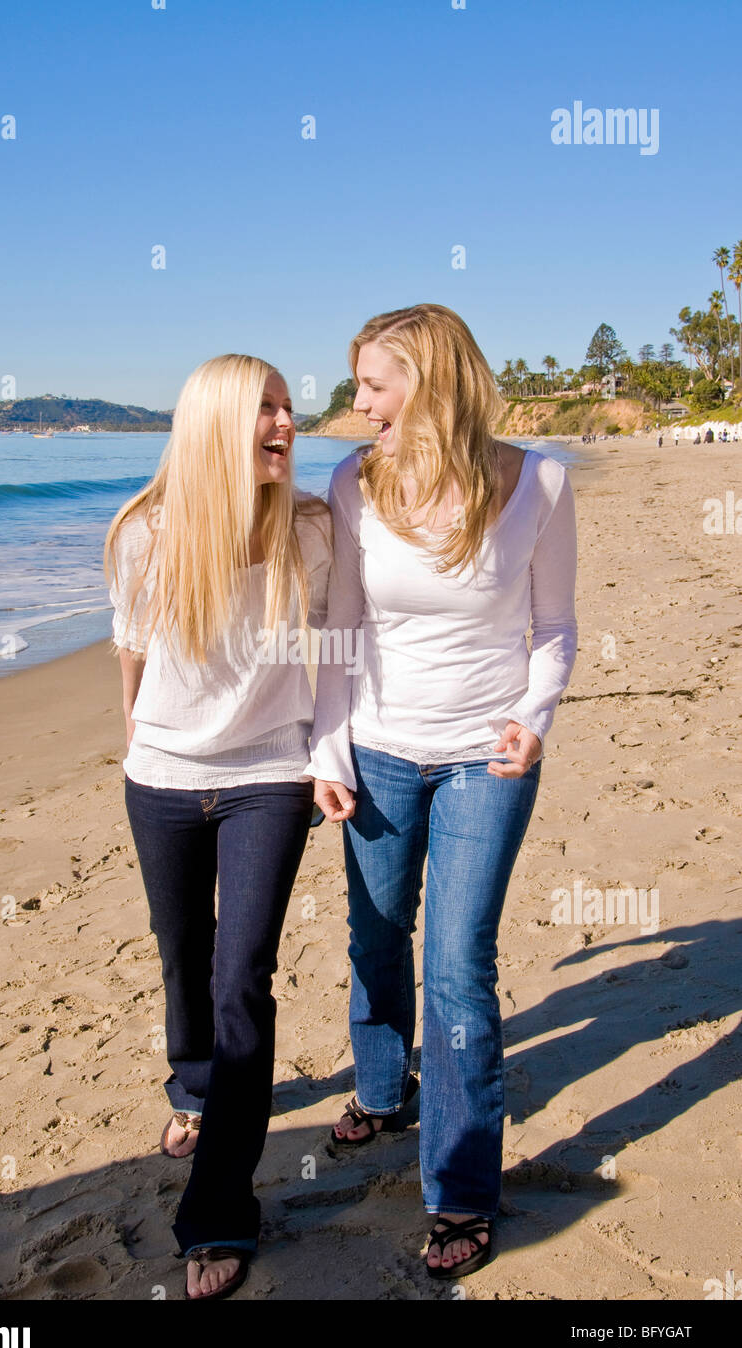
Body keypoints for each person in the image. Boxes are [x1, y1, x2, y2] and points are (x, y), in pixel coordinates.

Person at [307, 304, 577, 1280]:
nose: (357, 403)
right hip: (375, 747)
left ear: (430, 382)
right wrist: (326, 750)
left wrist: (534, 713)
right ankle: (381, 1088)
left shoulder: (537, 479)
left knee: (457, 959)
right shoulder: (350, 480)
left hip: (484, 755)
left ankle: (460, 1187)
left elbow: (552, 625)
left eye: (373, 384)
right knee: (375, 929)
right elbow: (335, 628)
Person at [105, 354, 332, 1300]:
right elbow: (130, 659)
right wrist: (142, 752)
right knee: (180, 951)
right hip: (160, 776)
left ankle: (218, 1211)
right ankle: (193, 1088)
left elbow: (349, 644)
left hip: (270, 776)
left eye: (289, 406)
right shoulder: (145, 534)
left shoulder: (314, 529)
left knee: (242, 974)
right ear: (213, 426)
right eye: (265, 409)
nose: (288, 420)